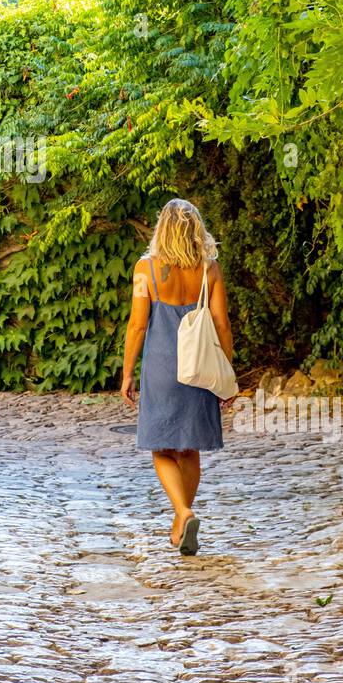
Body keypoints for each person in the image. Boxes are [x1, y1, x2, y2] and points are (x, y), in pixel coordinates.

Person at [120, 198, 233, 556]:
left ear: (162, 230)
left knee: (161, 446)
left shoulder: (145, 270)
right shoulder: (209, 270)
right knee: (190, 448)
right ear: (195, 230)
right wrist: (225, 374)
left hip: (161, 367)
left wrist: (127, 373)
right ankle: (181, 517)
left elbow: (138, 325)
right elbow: (221, 324)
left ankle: (182, 512)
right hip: (199, 367)